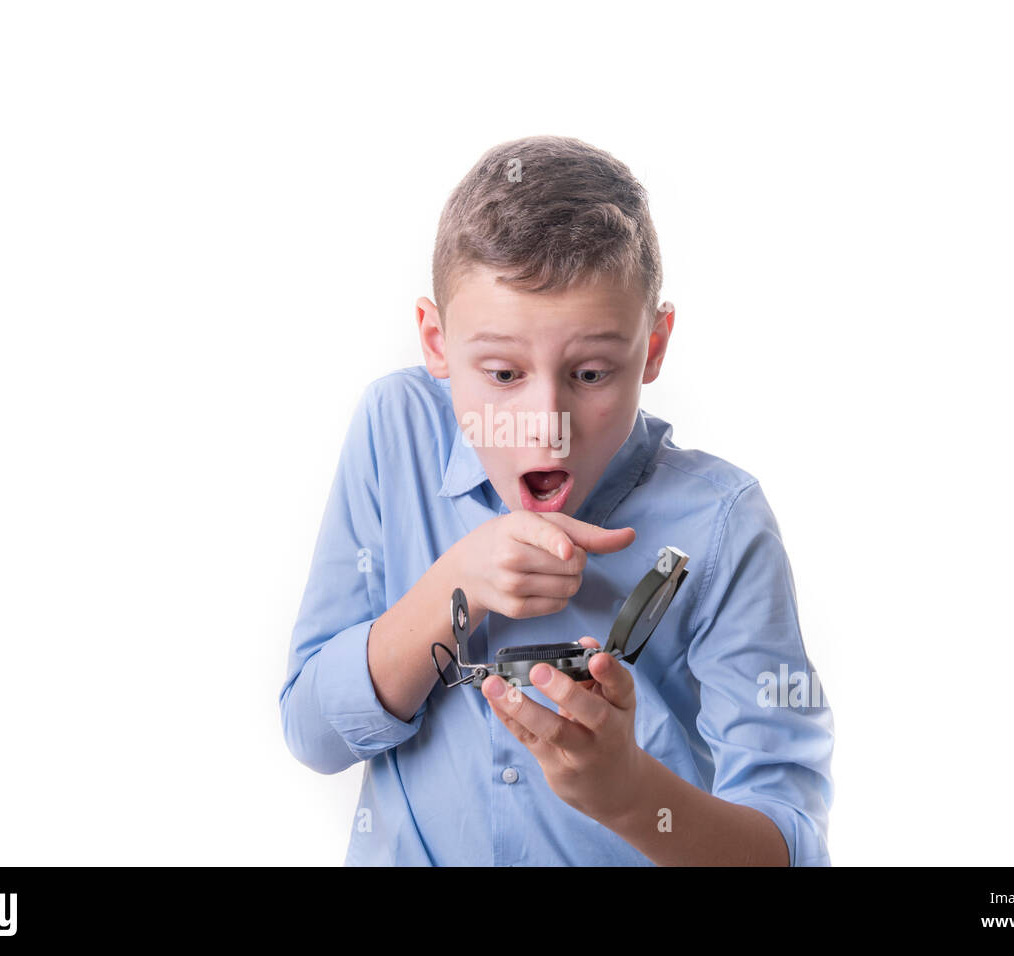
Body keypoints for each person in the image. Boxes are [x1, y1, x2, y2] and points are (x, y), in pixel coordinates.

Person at [278, 135, 834, 866]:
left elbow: (790, 849)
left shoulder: (724, 524)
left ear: (655, 346)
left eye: (594, 372)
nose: (546, 425)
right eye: (503, 373)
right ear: (436, 341)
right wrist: (456, 583)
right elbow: (313, 734)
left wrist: (630, 795)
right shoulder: (395, 429)